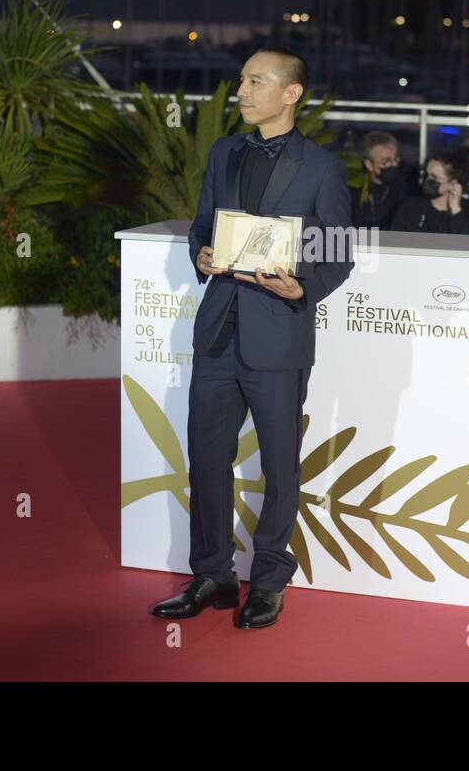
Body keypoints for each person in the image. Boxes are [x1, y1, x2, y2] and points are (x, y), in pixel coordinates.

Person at [151, 46, 354, 629]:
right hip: (217, 329)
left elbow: (338, 251)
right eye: (241, 79)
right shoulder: (223, 153)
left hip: (278, 337)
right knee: (206, 459)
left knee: (280, 467)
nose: (241, 90)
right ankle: (212, 575)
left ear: (290, 93)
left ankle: (267, 579)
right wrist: (203, 253)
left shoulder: (321, 167)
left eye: (255, 81)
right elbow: (200, 225)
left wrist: (302, 288)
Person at [390, 147, 469, 234]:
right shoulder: (411, 206)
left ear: (453, 183)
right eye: (426, 174)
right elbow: (395, 242)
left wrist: (456, 210)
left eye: (435, 178)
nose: (427, 180)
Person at [350, 130, 411, 230]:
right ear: (369, 165)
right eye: (386, 161)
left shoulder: (406, 185)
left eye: (396, 158)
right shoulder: (355, 189)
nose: (394, 164)